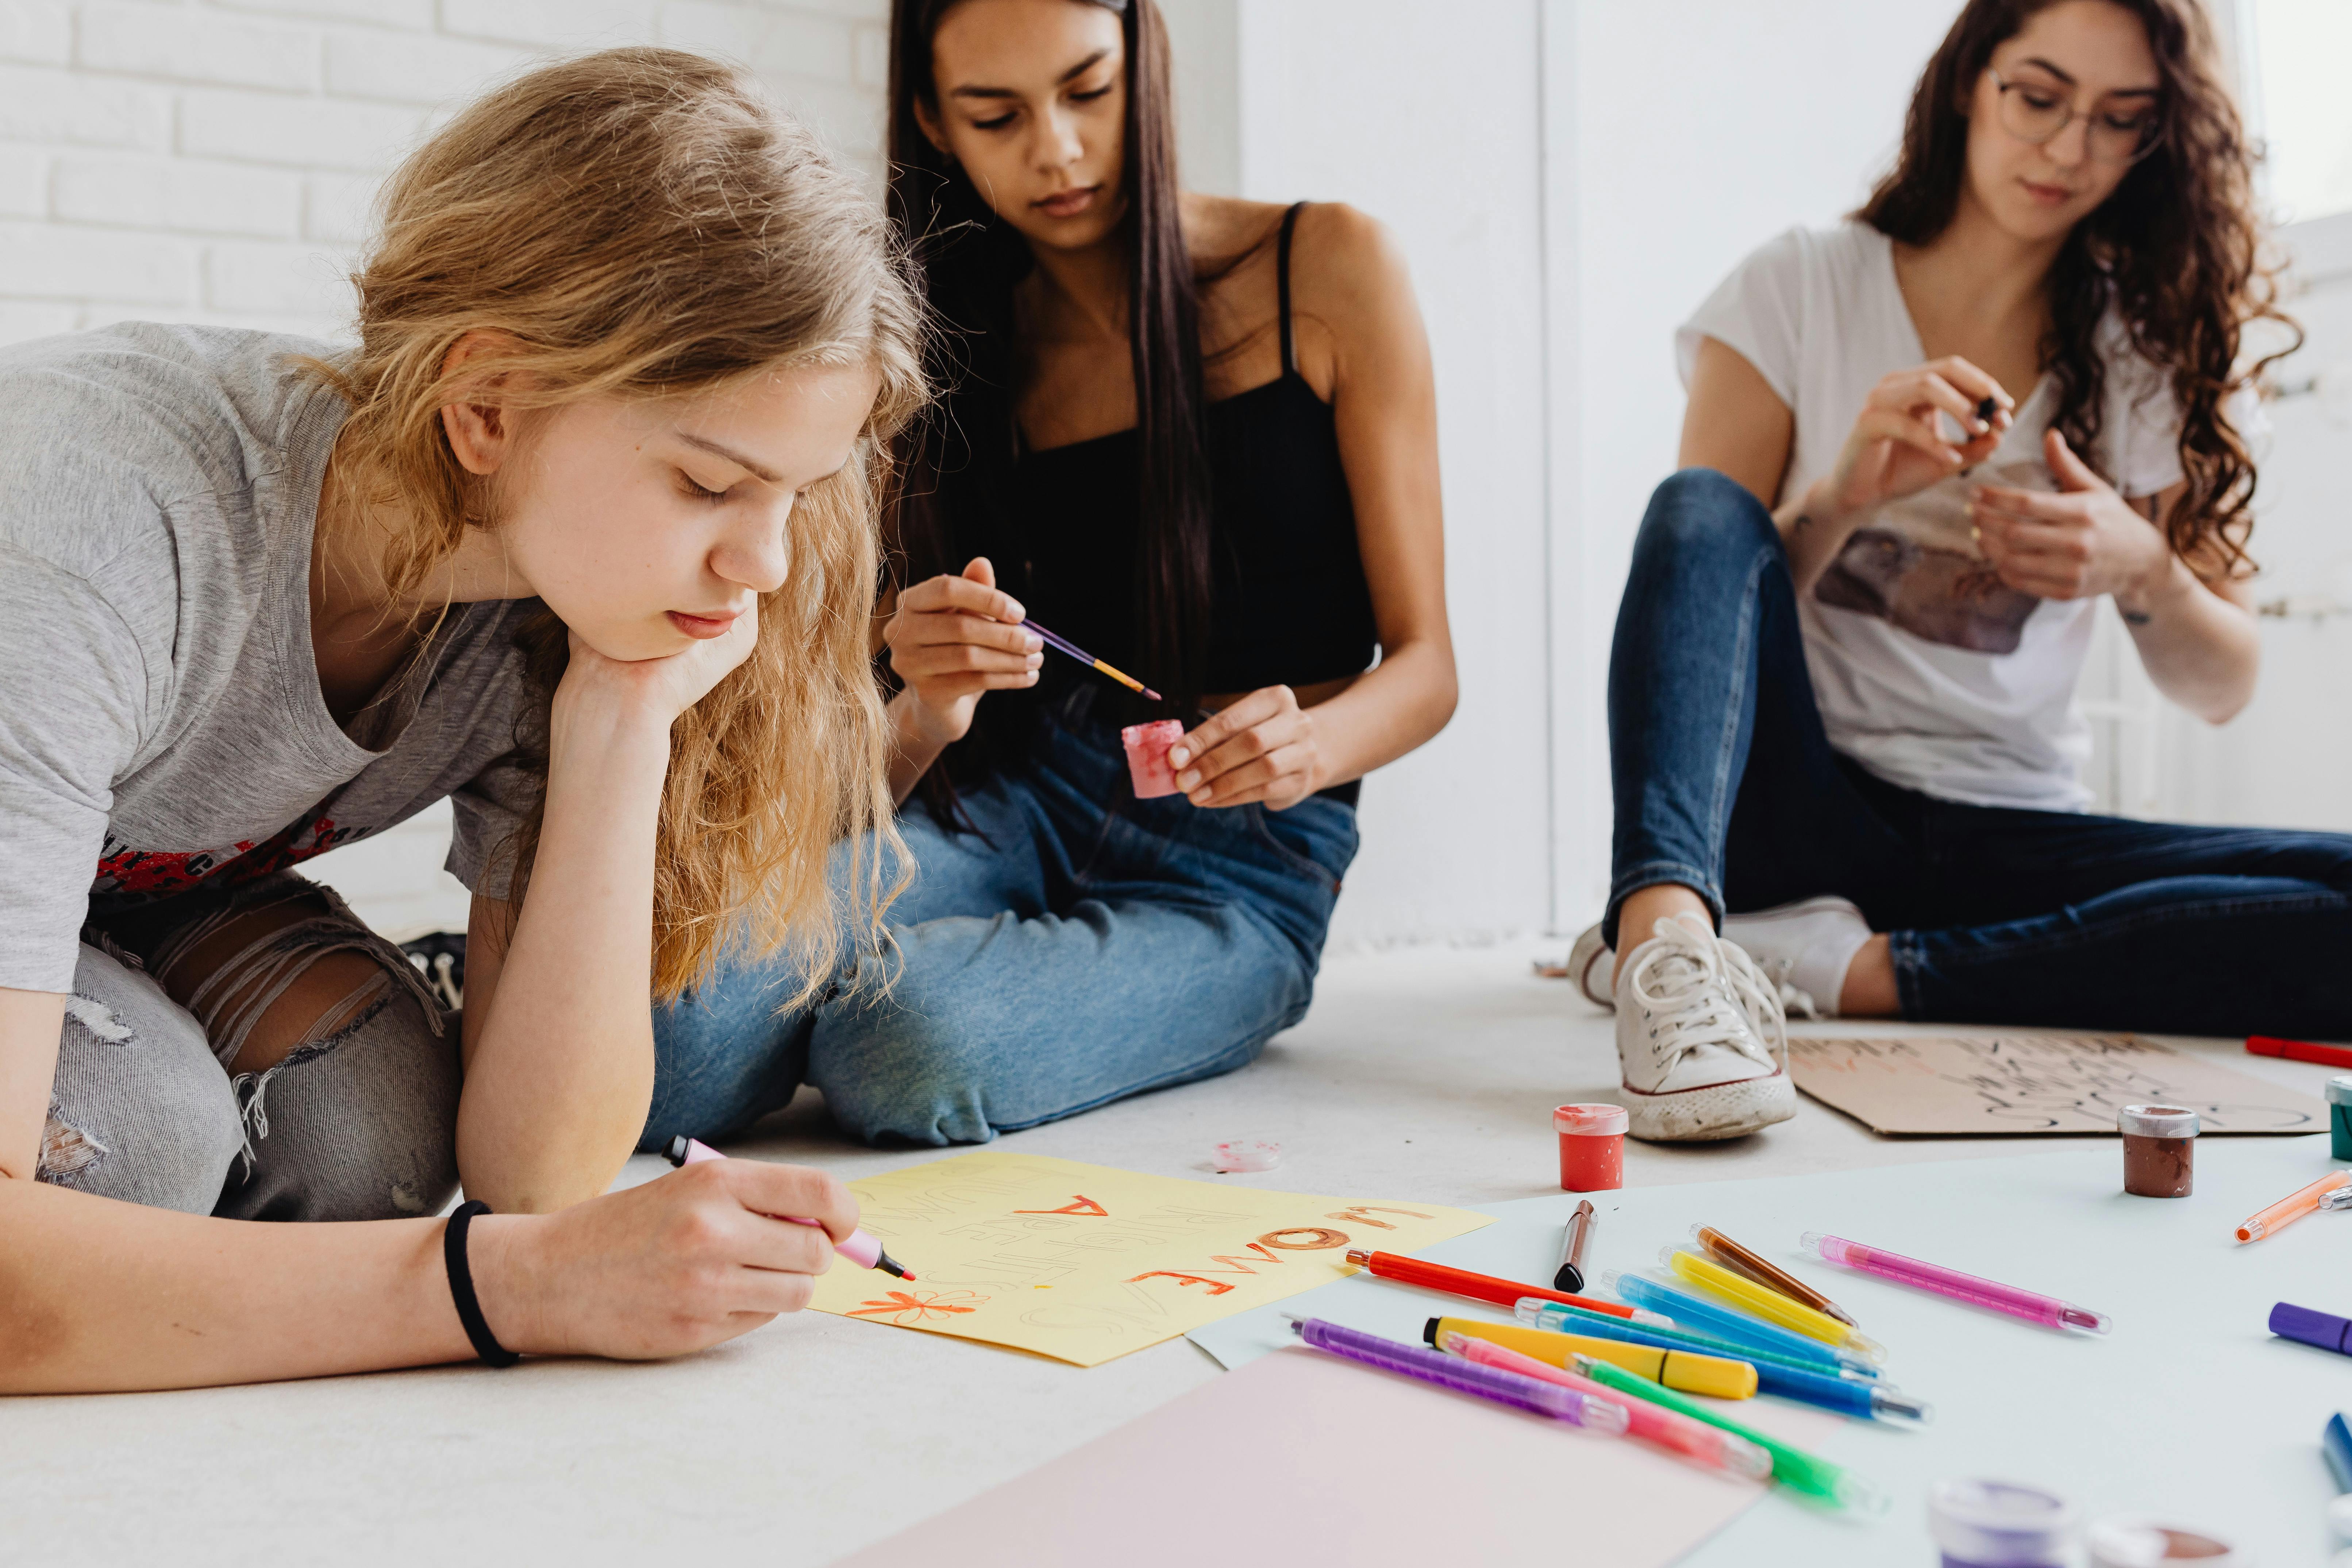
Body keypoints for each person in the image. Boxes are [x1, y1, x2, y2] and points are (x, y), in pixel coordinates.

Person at [0, 50, 924, 1391]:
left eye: (796, 496)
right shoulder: (90, 525)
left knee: (373, 1139)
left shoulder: (556, 600)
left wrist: (621, 721)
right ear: (487, 404)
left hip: (119, 883)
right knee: (144, 1144)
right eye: (711, 483)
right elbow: (535, 1244)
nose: (768, 569)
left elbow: (538, 1171)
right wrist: (512, 1291)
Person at [646, 0, 1456, 1148]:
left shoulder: (1326, 267)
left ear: (1147, 63)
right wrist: (915, 657)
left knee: (902, 1047)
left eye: (1089, 90)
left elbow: (1429, 668)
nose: (1058, 151)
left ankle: (894, 976)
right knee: (673, 1041)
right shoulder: (953, 338)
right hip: (1012, 798)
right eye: (996, 114)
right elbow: (869, 689)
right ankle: (890, 968)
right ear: (935, 120)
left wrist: (1311, 747)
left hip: (1240, 868)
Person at [1569, 0, 2340, 1144]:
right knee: (1700, 504)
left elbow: (2222, 683)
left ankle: (1859, 971)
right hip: (1800, 806)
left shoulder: (2142, 350)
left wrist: (2145, 573)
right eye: (2039, 96)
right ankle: (1666, 934)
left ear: (2156, 142)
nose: (2069, 149)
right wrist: (1842, 498)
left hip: (2010, 824)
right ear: (1969, 82)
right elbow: (1700, 587)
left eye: (2119, 119)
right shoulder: (1797, 287)